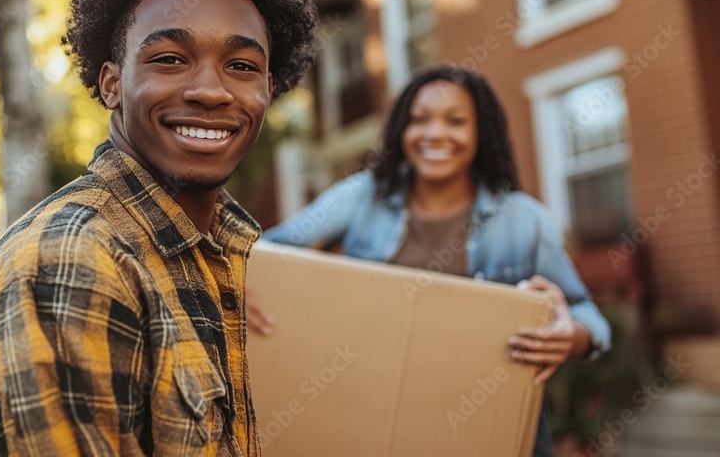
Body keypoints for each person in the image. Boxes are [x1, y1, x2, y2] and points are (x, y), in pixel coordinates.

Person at [0, 0, 317, 456]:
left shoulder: (217, 257)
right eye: (170, 59)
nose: (211, 91)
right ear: (111, 84)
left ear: (267, 89)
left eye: (241, 65)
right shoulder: (72, 259)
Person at [259, 64, 611, 457]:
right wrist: (251, 287)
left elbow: (587, 314)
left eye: (455, 121)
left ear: (481, 133)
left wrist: (570, 337)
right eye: (419, 120)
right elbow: (269, 250)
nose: (435, 134)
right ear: (402, 131)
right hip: (368, 416)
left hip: (483, 425)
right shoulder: (364, 196)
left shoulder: (524, 220)